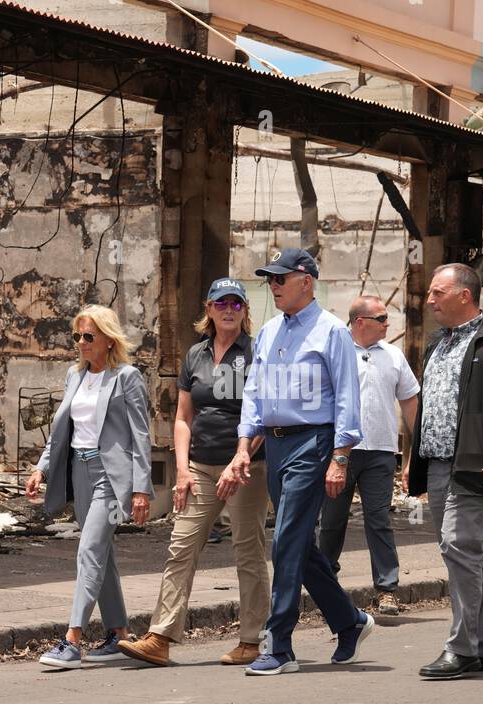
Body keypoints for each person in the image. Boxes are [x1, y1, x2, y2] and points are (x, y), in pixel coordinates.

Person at [223, 247, 375, 675]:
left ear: (305, 281)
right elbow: (254, 395)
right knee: (299, 546)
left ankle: (281, 645)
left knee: (285, 539)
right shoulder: (270, 333)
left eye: (280, 278)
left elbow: (347, 396)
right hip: (275, 445)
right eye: (269, 279)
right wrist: (242, 449)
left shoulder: (331, 332)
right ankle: (349, 621)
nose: (272, 286)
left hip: (315, 443)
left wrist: (341, 457)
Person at [118, 279, 270, 667]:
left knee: (247, 551)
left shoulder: (257, 353)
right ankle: (161, 637)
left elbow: (264, 416)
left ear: (245, 311)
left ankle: (252, 640)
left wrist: (242, 459)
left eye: (237, 303)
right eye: (222, 303)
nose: (229, 309)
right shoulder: (196, 355)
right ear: (209, 308)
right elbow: (183, 417)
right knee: (181, 548)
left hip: (247, 466)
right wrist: (181, 471)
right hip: (200, 466)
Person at [405, 263, 483, 680]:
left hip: (476, 464)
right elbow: (429, 404)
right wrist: (411, 460)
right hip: (438, 464)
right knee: (465, 553)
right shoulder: (438, 342)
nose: (430, 300)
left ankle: (461, 648)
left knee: (458, 547)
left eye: (438, 293)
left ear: (464, 294)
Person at [25, 305, 153, 669]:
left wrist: (141, 489)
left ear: (108, 340)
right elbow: (61, 432)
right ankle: (118, 633)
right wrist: (42, 469)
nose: (81, 343)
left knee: (89, 550)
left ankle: (72, 640)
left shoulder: (127, 377)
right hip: (79, 473)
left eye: (88, 337)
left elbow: (141, 437)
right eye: (77, 336)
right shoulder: (74, 376)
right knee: (103, 554)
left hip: (111, 478)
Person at [318, 295, 419, 615]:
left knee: (379, 521)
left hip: (380, 452)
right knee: (332, 522)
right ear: (360, 322)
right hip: (339, 453)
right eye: (382, 318)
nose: (388, 324)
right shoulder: (335, 352)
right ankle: (324, 585)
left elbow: (410, 405)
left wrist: (416, 454)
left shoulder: (393, 356)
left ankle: (387, 590)